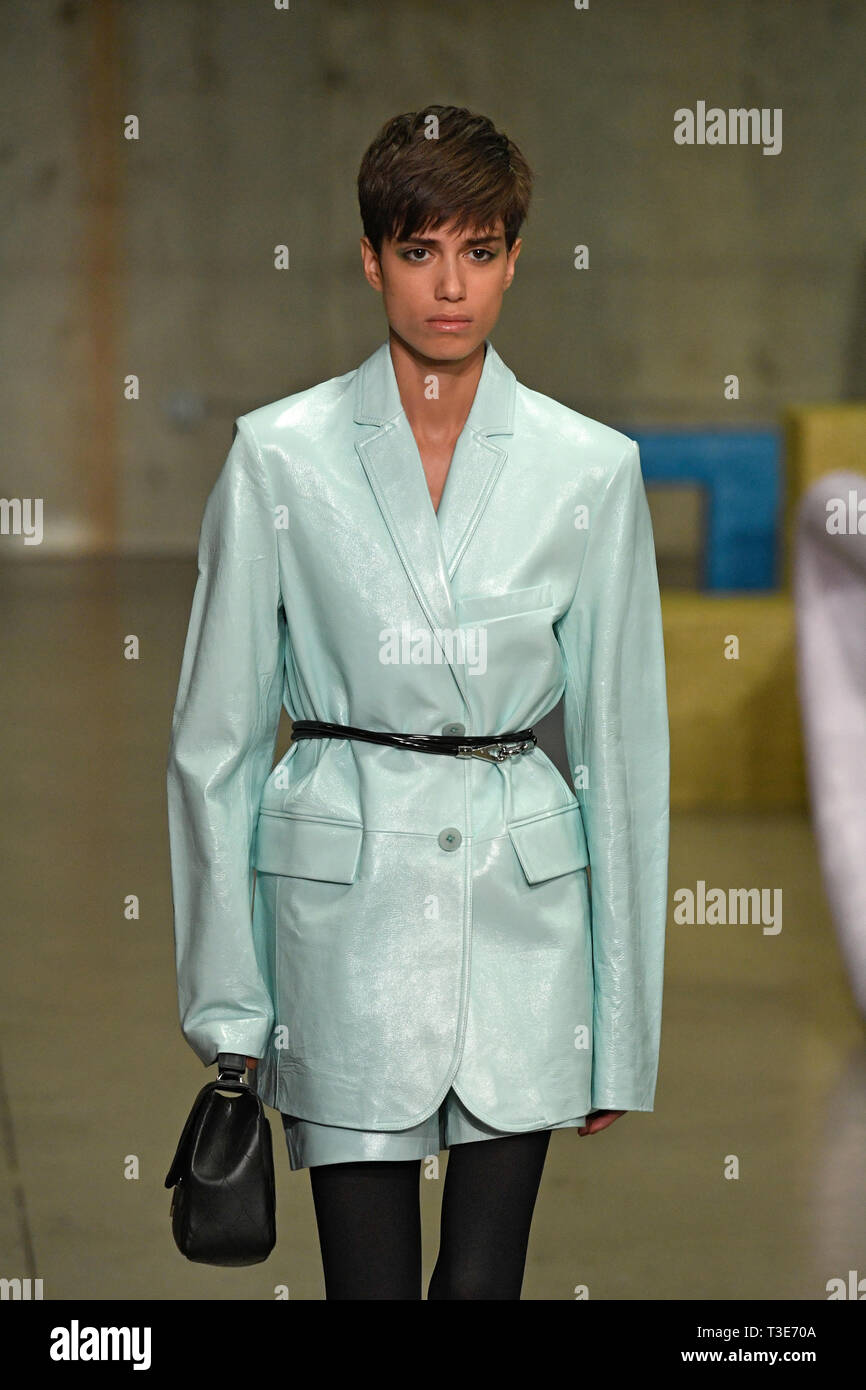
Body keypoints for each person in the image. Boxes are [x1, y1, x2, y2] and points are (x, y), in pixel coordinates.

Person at [166, 105, 670, 1300]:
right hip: (343, 920)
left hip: (524, 921)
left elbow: (619, 750)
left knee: (483, 1287)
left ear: (512, 258)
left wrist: (623, 1023)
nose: (450, 286)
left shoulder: (587, 467)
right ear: (368, 258)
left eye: (479, 250)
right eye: (417, 249)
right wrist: (229, 1007)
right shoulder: (277, 456)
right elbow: (215, 746)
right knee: (370, 1290)